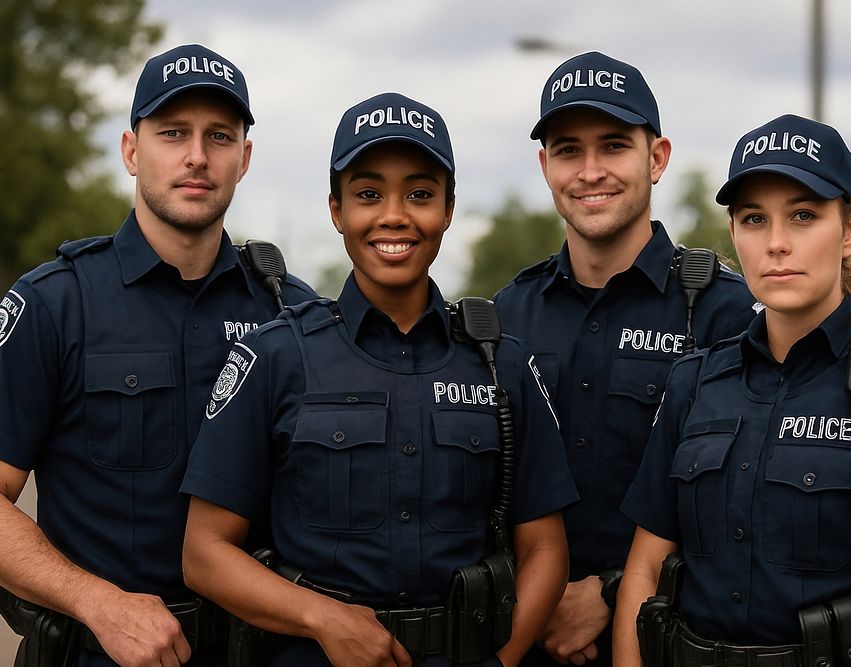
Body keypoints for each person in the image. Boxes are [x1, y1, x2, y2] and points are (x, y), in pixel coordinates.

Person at [180, 91, 578, 667]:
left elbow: (544, 548)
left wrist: (503, 660)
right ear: (337, 210)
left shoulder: (502, 363)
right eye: (368, 194)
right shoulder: (276, 355)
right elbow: (204, 552)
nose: (394, 215)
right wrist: (322, 619)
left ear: (448, 209)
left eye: (420, 193)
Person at [615, 114, 851, 666]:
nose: (775, 244)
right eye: (753, 219)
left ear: (850, 229)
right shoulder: (694, 382)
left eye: (802, 215)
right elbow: (645, 571)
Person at [0, 43, 316, 667]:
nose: (197, 156)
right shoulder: (55, 304)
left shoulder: (292, 313)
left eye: (219, 136)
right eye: (173, 133)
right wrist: (97, 603)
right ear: (131, 150)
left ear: (244, 159)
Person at [492, 51, 758, 666]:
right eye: (567, 150)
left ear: (656, 158)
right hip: (520, 639)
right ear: (544, 166)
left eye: (613, 146)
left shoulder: (727, 315)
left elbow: (748, 513)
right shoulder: (502, 318)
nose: (590, 172)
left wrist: (615, 592)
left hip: (672, 640)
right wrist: (539, 596)